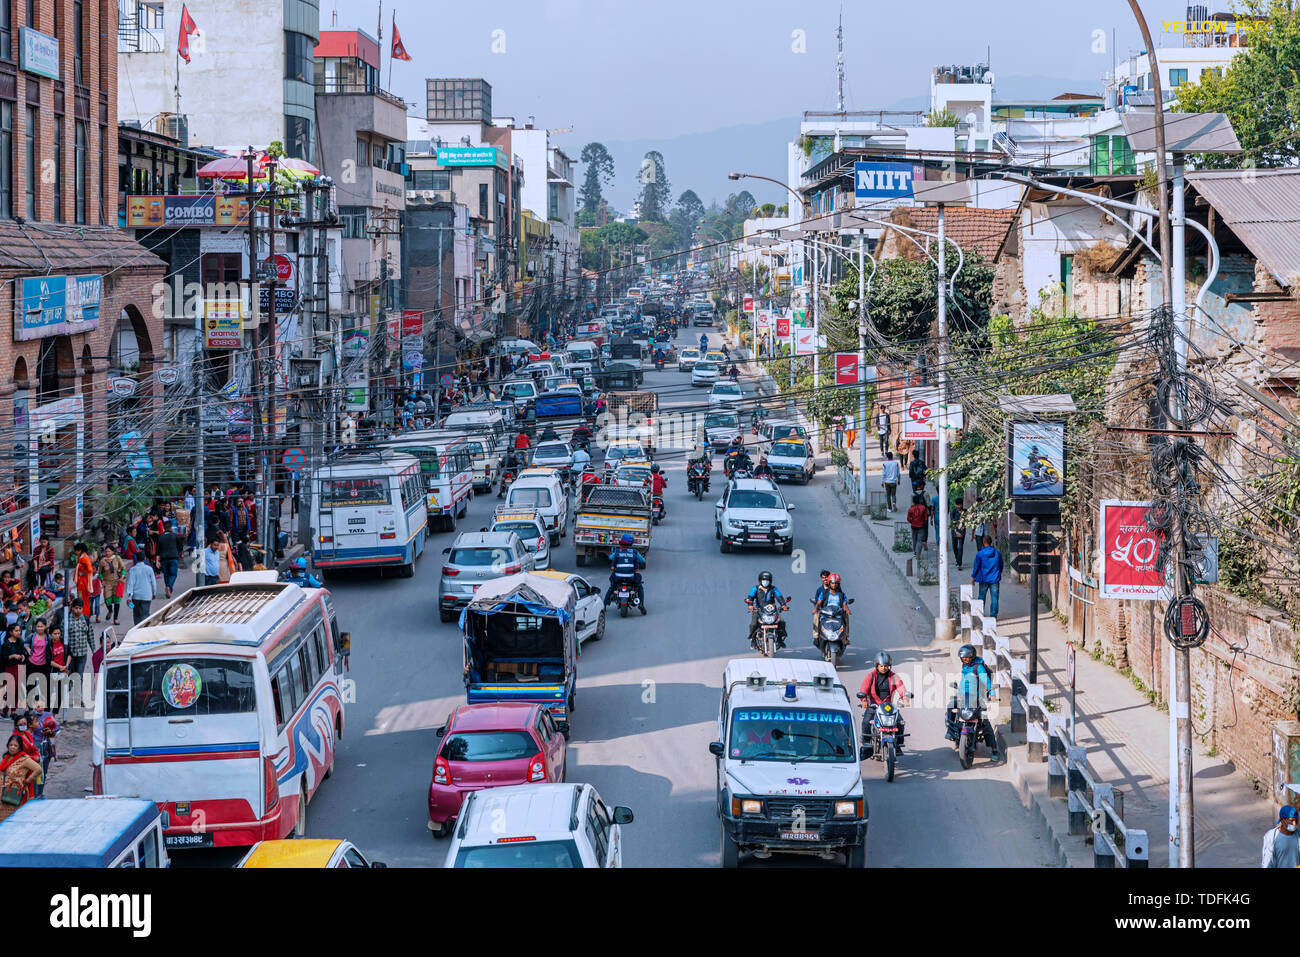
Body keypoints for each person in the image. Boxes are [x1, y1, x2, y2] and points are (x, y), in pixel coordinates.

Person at [947, 644, 998, 758]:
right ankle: (951, 731)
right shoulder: (965, 666)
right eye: (962, 658)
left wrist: (992, 693)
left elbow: (987, 681)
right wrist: (958, 692)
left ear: (972, 656)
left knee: (985, 723)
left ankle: (994, 750)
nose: (964, 660)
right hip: (963, 697)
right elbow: (964, 682)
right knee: (951, 705)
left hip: (977, 698)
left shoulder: (978, 667)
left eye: (966, 658)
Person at [859, 652, 908, 752]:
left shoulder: (893, 676)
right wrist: (864, 700)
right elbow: (863, 689)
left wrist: (905, 698)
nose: (884, 668)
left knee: (900, 723)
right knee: (865, 722)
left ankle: (898, 744)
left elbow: (901, 687)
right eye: (881, 666)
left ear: (889, 666)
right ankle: (867, 743)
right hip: (873, 705)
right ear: (877, 666)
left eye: (886, 666)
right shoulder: (871, 676)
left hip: (888, 706)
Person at [0, 733, 41, 822]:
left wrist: (28, 780)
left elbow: (38, 769)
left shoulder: (24, 759)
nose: (13, 747)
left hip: (14, 795)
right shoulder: (6, 758)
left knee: (12, 820)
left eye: (15, 745)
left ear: (19, 747)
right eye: (11, 745)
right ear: (7, 745)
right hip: (3, 794)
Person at [604, 533, 646, 614]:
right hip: (631, 578)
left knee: (611, 586)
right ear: (631, 543)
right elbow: (642, 561)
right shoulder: (634, 552)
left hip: (618, 578)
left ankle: (605, 603)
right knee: (639, 586)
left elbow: (610, 558)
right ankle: (641, 604)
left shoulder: (617, 551)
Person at [745, 571, 788, 648]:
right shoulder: (756, 588)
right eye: (763, 580)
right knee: (753, 624)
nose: (765, 582)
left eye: (767, 580)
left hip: (772, 610)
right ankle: (753, 639)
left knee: (782, 622)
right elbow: (750, 597)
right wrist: (750, 605)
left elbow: (779, 597)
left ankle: (779, 639)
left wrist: (783, 605)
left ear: (770, 581)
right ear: (760, 580)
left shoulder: (773, 588)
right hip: (758, 610)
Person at [812, 572, 851, 646]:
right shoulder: (824, 593)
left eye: (836, 583)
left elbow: (844, 604)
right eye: (832, 583)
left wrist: (847, 610)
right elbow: (819, 602)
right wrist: (815, 608)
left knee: (846, 617)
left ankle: (845, 637)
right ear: (829, 583)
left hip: (837, 614)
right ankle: (816, 636)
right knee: (816, 615)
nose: (834, 585)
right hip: (826, 613)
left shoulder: (841, 594)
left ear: (838, 584)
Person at [971, 534, 1004, 618]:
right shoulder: (997, 553)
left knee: (981, 597)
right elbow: (1001, 565)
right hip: (994, 579)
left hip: (983, 579)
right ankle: (993, 616)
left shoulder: (980, 554)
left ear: (983, 542)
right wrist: (998, 573)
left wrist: (973, 578)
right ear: (991, 542)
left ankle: (980, 614)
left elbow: (976, 567)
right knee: (994, 598)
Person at [1, 624, 27, 718]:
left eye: (19, 630)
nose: (18, 632)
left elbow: (23, 652)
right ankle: (4, 710)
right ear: (11, 632)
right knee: (11, 690)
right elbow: (3, 658)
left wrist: (23, 655)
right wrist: (12, 656)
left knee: (17, 690)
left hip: (19, 667)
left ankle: (13, 711)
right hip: (9, 668)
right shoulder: (6, 644)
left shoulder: (20, 642)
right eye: (16, 630)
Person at [66, 604, 93, 694]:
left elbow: (90, 635)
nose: (78, 610)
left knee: (79, 675)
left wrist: (94, 650)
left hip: (82, 653)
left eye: (80, 608)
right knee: (69, 673)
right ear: (72, 608)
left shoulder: (86, 619)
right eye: (76, 608)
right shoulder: (67, 620)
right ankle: (69, 684)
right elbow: (62, 636)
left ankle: (79, 697)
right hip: (70, 654)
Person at [97, 545, 126, 626]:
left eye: (109, 551)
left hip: (117, 582)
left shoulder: (117, 558)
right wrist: (102, 580)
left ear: (113, 552)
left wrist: (122, 577)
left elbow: (123, 568)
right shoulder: (102, 561)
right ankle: (110, 611)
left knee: (117, 601)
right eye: (106, 551)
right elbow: (100, 573)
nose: (107, 553)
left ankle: (115, 618)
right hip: (107, 583)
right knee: (107, 600)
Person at [126, 554, 157, 624]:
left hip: (135, 597)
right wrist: (154, 593)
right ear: (145, 558)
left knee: (136, 614)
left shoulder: (133, 569)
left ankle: (137, 629)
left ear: (136, 558)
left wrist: (129, 597)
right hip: (147, 596)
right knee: (145, 614)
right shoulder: (149, 569)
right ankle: (144, 630)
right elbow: (153, 583)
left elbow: (130, 584)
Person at [46, 625, 68, 719]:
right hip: (53, 671)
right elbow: (49, 661)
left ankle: (53, 715)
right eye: (55, 633)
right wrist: (60, 667)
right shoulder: (49, 645)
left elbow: (69, 654)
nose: (57, 635)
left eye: (59, 633)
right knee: (48, 693)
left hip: (63, 671)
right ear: (51, 634)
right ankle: (46, 714)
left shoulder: (64, 642)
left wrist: (66, 666)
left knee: (59, 694)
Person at [157, 522, 181, 598]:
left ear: (164, 528)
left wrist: (157, 561)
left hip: (164, 559)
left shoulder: (160, 537)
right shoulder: (175, 535)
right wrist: (179, 552)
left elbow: (158, 550)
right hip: (173, 557)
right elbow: (180, 546)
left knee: (166, 574)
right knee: (173, 574)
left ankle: (168, 589)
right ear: (171, 527)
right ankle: (169, 587)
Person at [907, 494, 929, 565]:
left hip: (913, 526)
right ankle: (918, 552)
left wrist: (912, 522)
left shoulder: (911, 509)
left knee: (914, 539)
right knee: (919, 540)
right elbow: (926, 518)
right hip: (921, 526)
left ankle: (915, 552)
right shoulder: (923, 508)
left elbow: (908, 518)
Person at [73, 543, 94, 617]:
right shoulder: (81, 557)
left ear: (80, 550)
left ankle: (85, 615)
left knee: (83, 599)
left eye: (76, 551)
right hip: (81, 582)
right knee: (82, 599)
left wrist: (82, 573)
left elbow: (90, 570)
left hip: (83, 583)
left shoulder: (84, 558)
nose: (75, 552)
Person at [949, 500, 968, 569]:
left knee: (960, 547)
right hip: (954, 531)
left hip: (962, 532)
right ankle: (957, 559)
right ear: (955, 505)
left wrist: (965, 526)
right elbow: (952, 522)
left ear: (962, 505)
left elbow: (967, 520)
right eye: (957, 505)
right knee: (954, 547)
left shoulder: (965, 511)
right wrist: (956, 531)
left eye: (960, 505)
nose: (959, 506)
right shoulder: (953, 511)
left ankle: (959, 563)